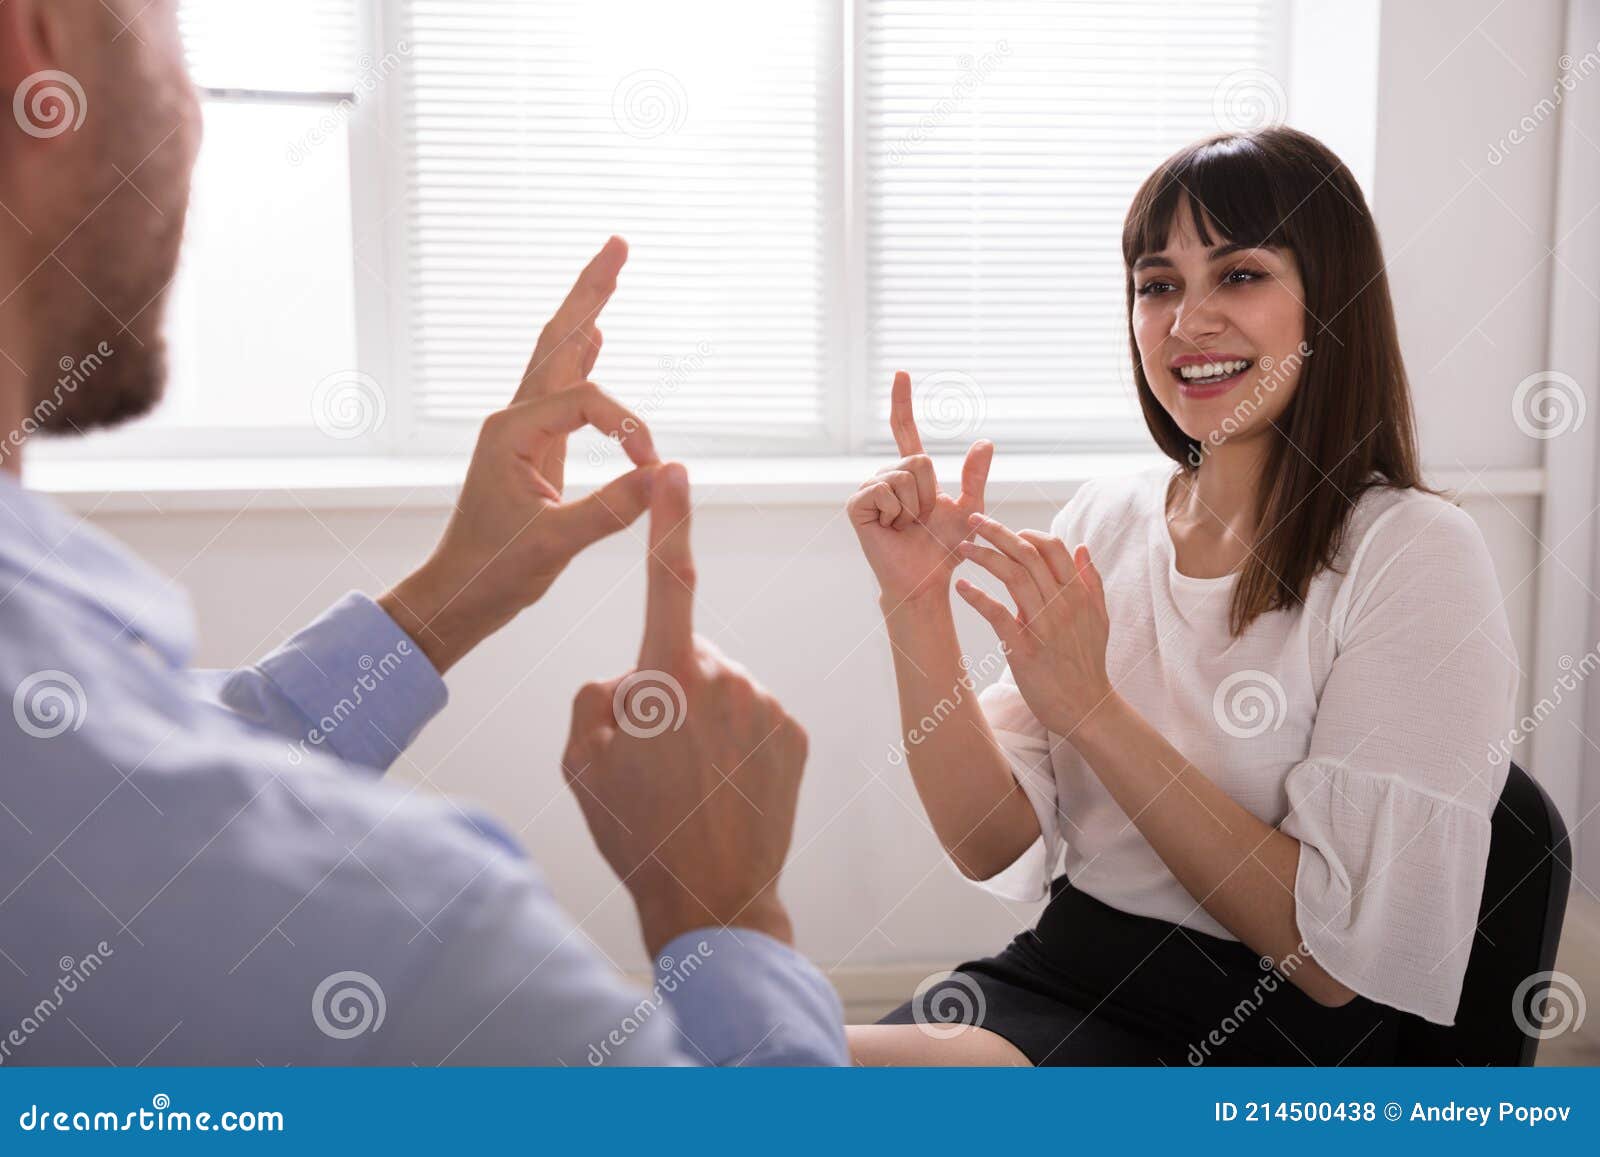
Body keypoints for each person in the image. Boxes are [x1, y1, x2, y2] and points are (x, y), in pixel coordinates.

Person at [0, 0, 844, 1065]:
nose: (194, 106)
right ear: (34, 42)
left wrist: (456, 592)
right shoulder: (412, 947)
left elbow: (148, 773)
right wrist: (727, 912)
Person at [845, 127, 1519, 1066]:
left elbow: (1331, 962)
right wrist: (915, 604)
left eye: (1239, 275)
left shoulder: (1415, 552)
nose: (1188, 321)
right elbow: (987, 841)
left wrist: (1093, 711)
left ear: (1332, 303)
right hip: (1064, 970)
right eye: (1158, 285)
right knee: (757, 1065)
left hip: (1266, 1035)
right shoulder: (1105, 516)